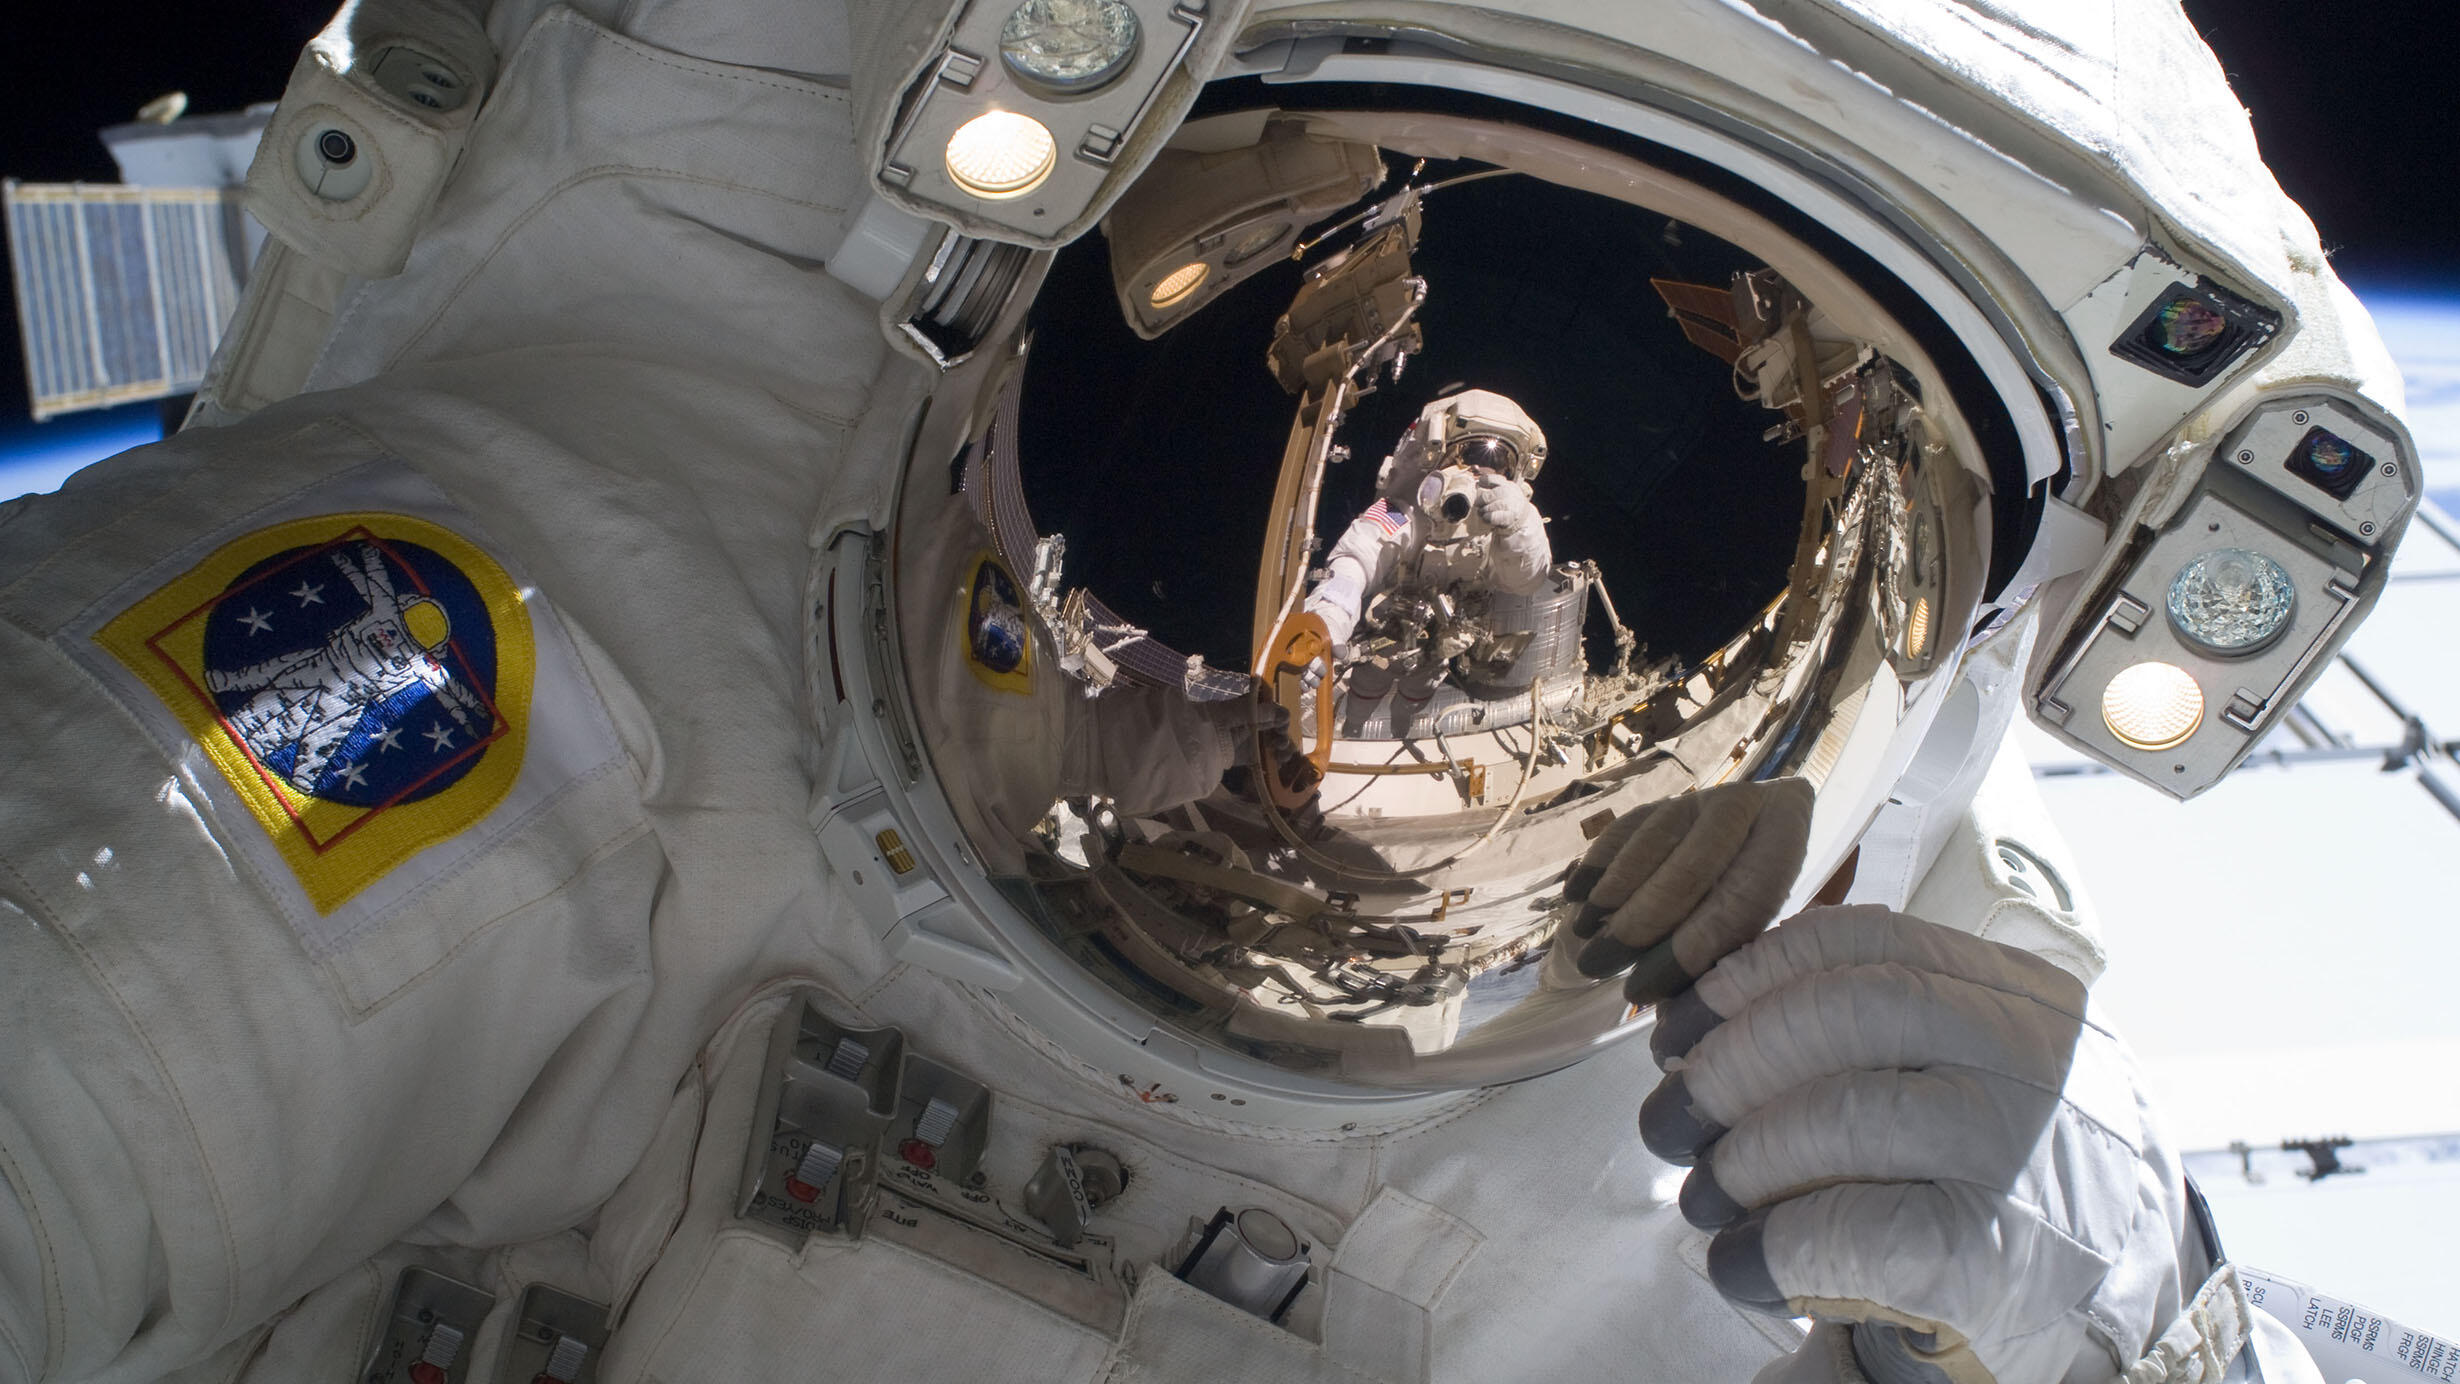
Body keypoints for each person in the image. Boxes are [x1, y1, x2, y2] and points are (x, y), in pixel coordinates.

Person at [0, 0, 2412, 1381]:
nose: (1470, 485)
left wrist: (2117, 1305)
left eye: (1562, 485)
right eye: (1418, 421)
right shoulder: (509, 666)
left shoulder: (1712, 1199)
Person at [1302, 388, 1553, 651]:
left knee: (1421, 686)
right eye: (1469, 455)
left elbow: (1526, 580)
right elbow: (1355, 560)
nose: (1478, 469)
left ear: (1512, 475)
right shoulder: (1401, 512)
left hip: (1441, 645)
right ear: (1440, 457)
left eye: (1498, 460)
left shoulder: (1504, 531)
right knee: (1369, 686)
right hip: (1385, 638)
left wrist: (1522, 524)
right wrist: (1329, 620)